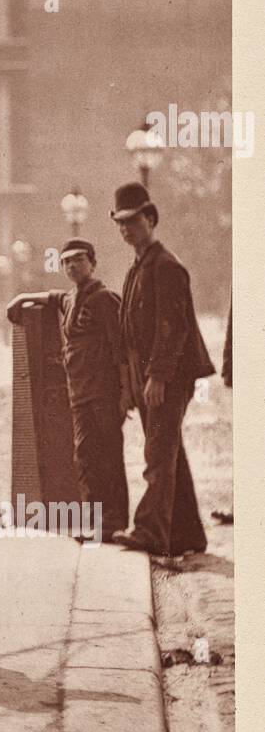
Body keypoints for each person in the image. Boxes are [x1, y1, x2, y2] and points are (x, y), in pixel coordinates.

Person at [110, 181, 214, 557]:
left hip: (168, 377)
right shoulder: (139, 266)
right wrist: (131, 382)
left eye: (133, 221)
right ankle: (188, 535)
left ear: (151, 219)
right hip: (152, 376)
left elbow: (173, 328)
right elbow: (129, 329)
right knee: (169, 451)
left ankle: (150, 532)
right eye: (120, 223)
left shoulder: (166, 266)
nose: (126, 229)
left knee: (158, 453)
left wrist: (157, 377)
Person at [7, 237, 129, 541]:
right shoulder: (71, 299)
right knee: (85, 457)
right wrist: (21, 298)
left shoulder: (104, 299)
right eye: (66, 261)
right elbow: (54, 296)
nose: (73, 265)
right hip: (80, 395)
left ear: (93, 263)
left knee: (108, 457)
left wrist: (126, 394)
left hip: (104, 393)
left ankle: (112, 522)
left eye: (79, 259)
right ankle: (95, 520)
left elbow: (122, 350)